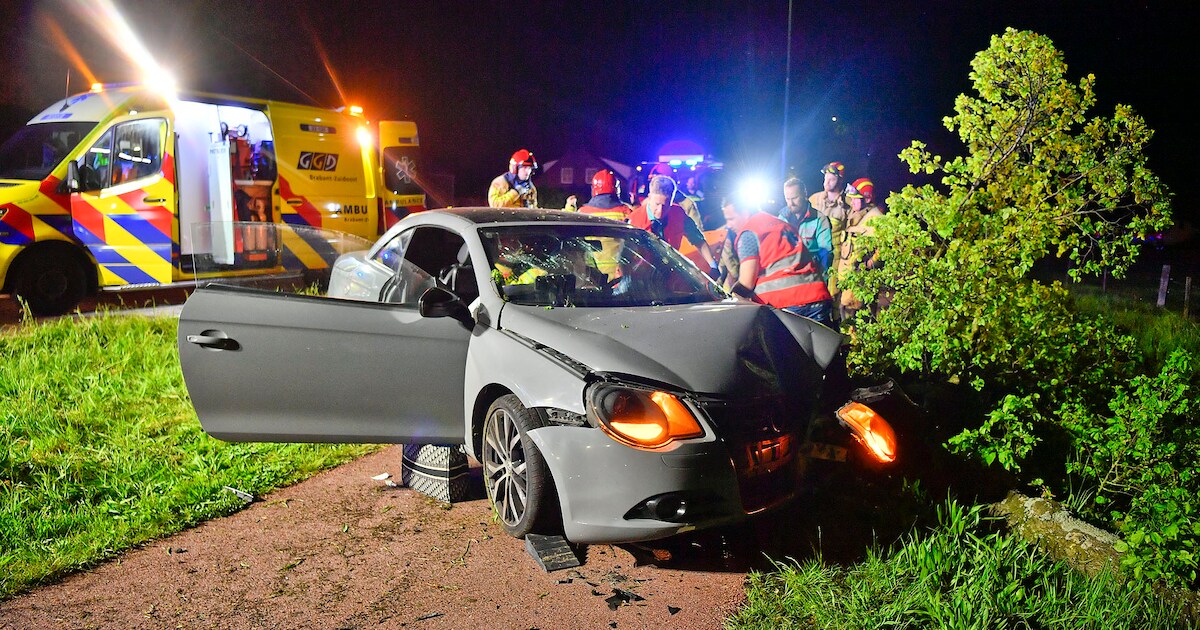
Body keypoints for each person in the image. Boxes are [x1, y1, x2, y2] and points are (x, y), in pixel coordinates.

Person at [725, 198, 833, 325]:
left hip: (786, 305)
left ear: (745, 213)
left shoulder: (748, 234)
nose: (728, 225)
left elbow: (747, 282)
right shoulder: (782, 224)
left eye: (731, 219)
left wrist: (731, 297)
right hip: (817, 297)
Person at [628, 175, 720, 279]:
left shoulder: (679, 214)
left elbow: (698, 240)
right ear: (649, 198)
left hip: (668, 274)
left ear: (672, 201)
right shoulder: (634, 221)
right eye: (657, 204)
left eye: (665, 205)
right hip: (640, 276)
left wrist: (713, 266)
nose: (660, 211)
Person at [833, 181, 886, 321]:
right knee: (846, 314)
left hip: (861, 281)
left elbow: (885, 247)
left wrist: (871, 264)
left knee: (857, 318)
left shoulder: (875, 218)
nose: (852, 201)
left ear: (867, 199)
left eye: (855, 198)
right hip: (848, 279)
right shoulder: (856, 213)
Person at [778, 177, 833, 278]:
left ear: (804, 194)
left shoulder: (819, 219)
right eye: (788, 199)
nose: (791, 203)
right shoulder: (781, 219)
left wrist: (821, 278)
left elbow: (825, 252)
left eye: (794, 198)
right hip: (787, 276)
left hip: (810, 276)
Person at [488, 149, 577, 209]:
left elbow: (533, 210)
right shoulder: (500, 183)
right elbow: (495, 205)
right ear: (515, 168)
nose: (528, 171)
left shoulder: (531, 188)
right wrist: (516, 192)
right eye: (524, 168)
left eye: (530, 168)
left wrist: (569, 208)